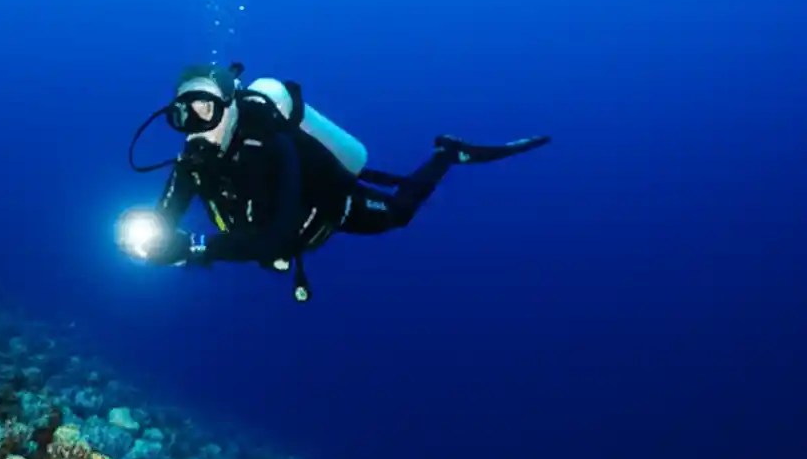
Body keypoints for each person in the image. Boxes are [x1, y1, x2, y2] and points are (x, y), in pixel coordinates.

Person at [118, 62, 550, 301]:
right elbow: (165, 221)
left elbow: (276, 239)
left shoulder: (271, 143)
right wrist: (157, 244)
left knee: (399, 213)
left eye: (205, 111)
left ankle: (447, 153)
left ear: (229, 106)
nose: (195, 127)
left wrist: (195, 249)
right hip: (263, 237)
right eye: (182, 116)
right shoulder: (194, 159)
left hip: (326, 208)